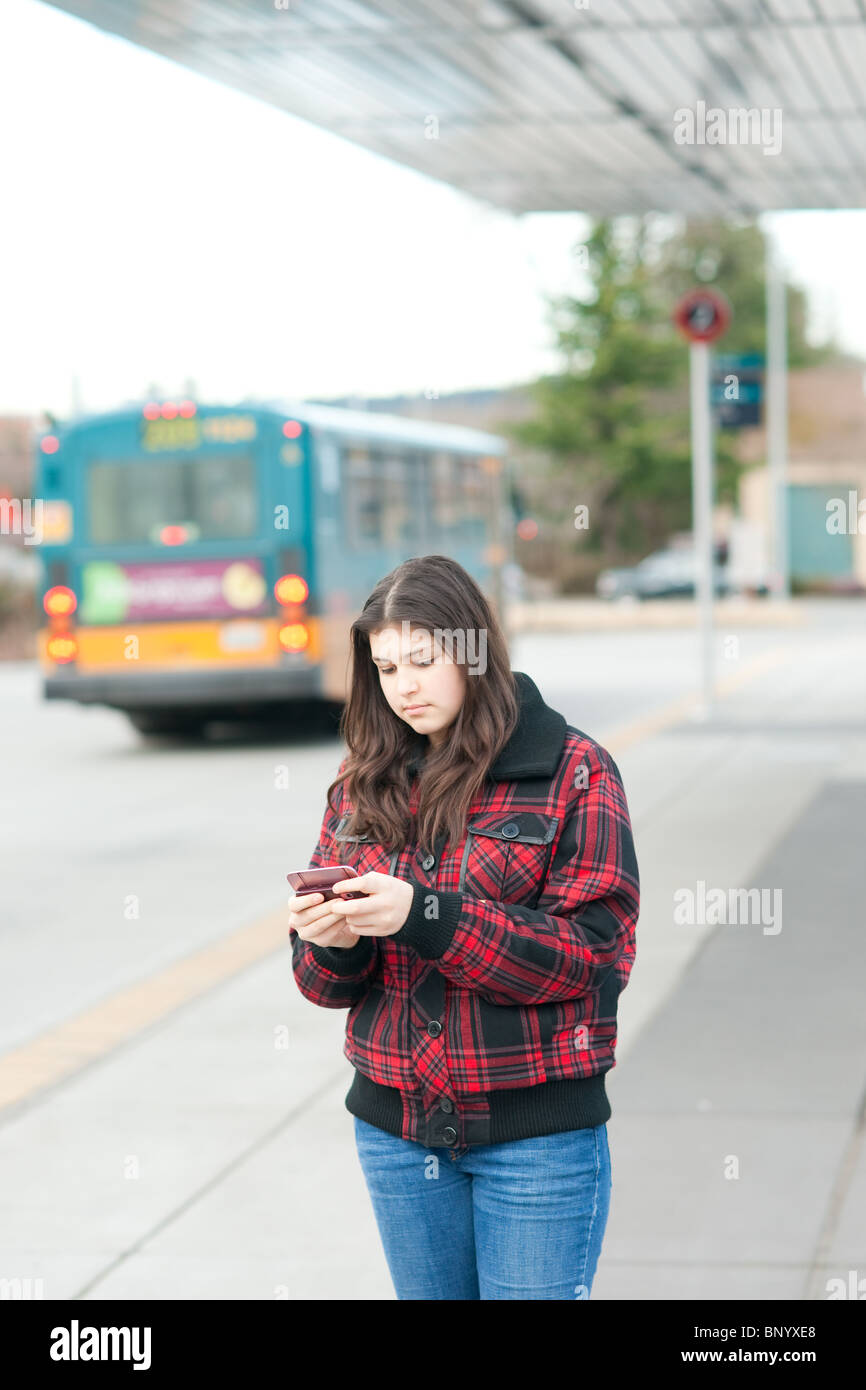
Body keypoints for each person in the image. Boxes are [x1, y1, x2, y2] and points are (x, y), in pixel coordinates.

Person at [288, 554, 640, 1300]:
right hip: (396, 1134)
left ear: (474, 652)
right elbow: (323, 987)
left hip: (536, 1140)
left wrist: (425, 915)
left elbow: (592, 957)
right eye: (385, 668)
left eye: (423, 659)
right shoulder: (363, 782)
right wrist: (329, 940)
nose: (404, 685)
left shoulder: (573, 771)